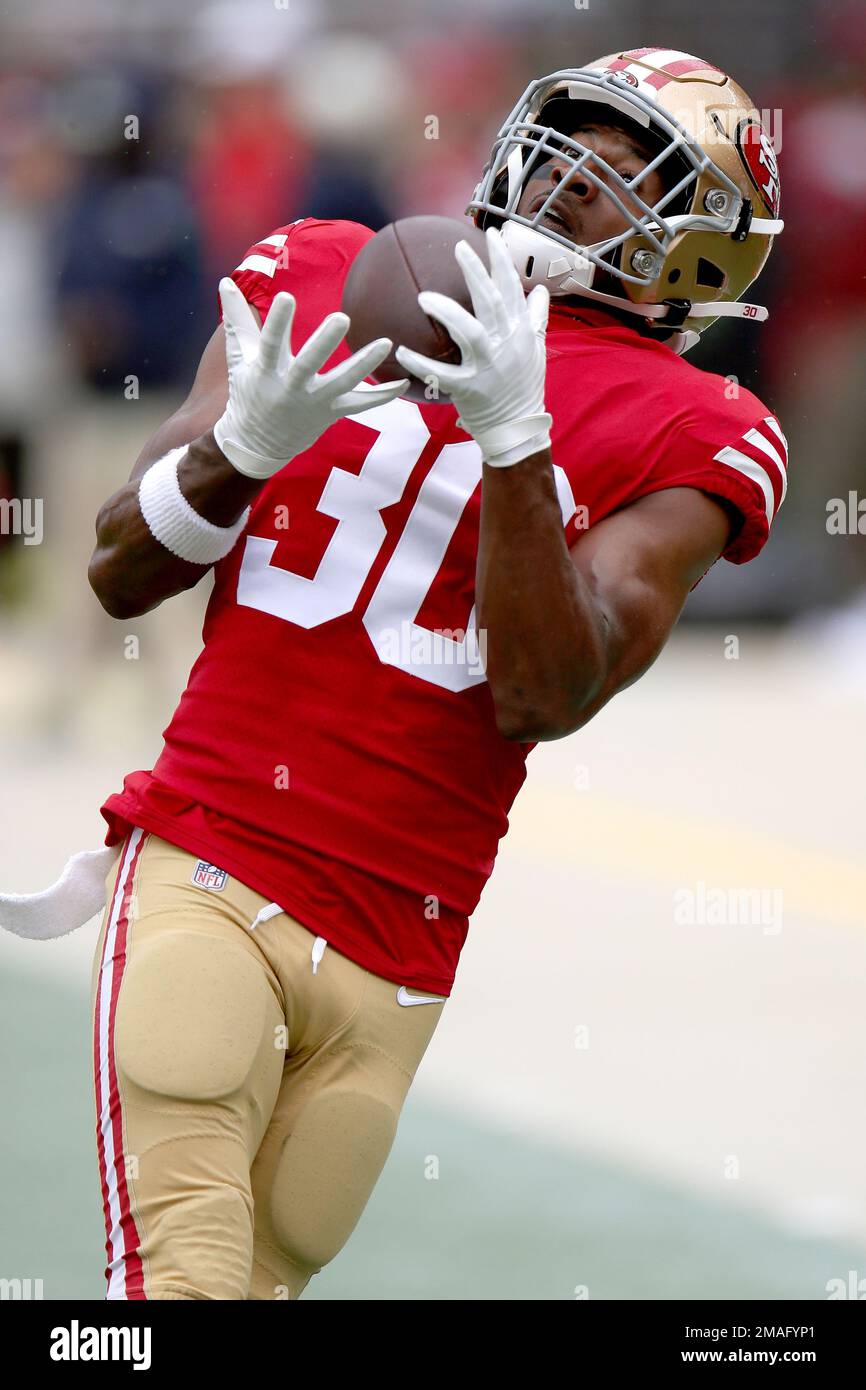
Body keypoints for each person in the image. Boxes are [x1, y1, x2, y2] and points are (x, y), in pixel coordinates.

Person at [28, 48, 791, 1300]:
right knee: (178, 1284)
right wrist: (241, 447)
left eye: (622, 168)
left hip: (402, 939)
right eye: (563, 141)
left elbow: (545, 693)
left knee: (259, 1283)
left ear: (701, 244)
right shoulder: (330, 265)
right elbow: (119, 571)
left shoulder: (699, 424)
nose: (565, 177)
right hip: (213, 856)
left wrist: (515, 444)